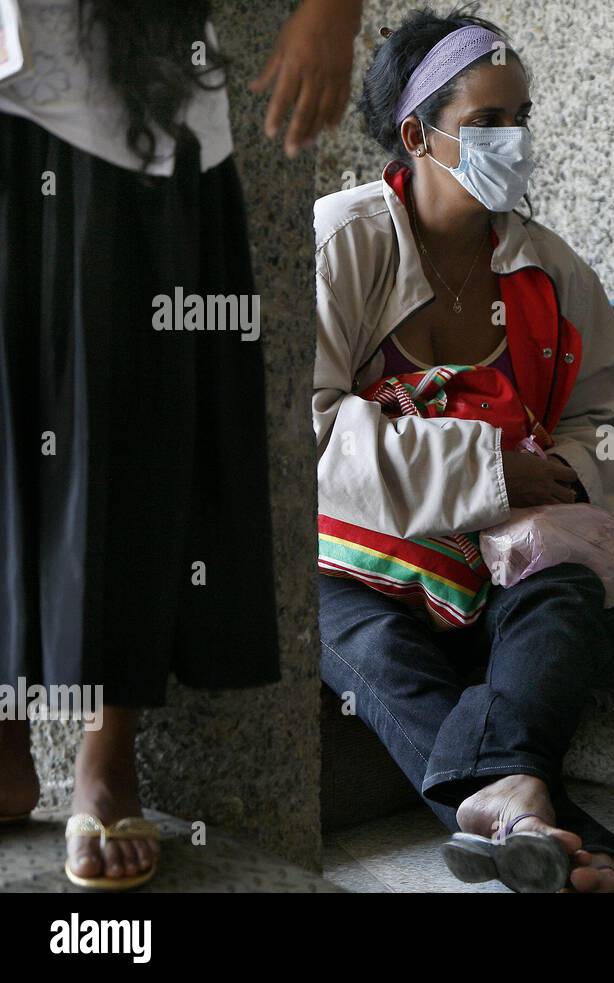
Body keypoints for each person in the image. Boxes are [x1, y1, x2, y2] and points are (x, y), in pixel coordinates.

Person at [0, 0, 363, 889]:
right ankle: (4, 749)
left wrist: (333, 11)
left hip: (123, 102)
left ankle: (105, 752)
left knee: (124, 420)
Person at [314, 7, 614, 893]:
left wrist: (564, 478)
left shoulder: (547, 268)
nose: (513, 141)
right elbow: (304, 428)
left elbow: (609, 415)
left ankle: (515, 800)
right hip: (352, 552)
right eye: (486, 123)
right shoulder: (342, 243)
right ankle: (549, 828)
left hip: (505, 545)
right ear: (416, 135)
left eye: (521, 119)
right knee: (368, 647)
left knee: (557, 589)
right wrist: (485, 470)